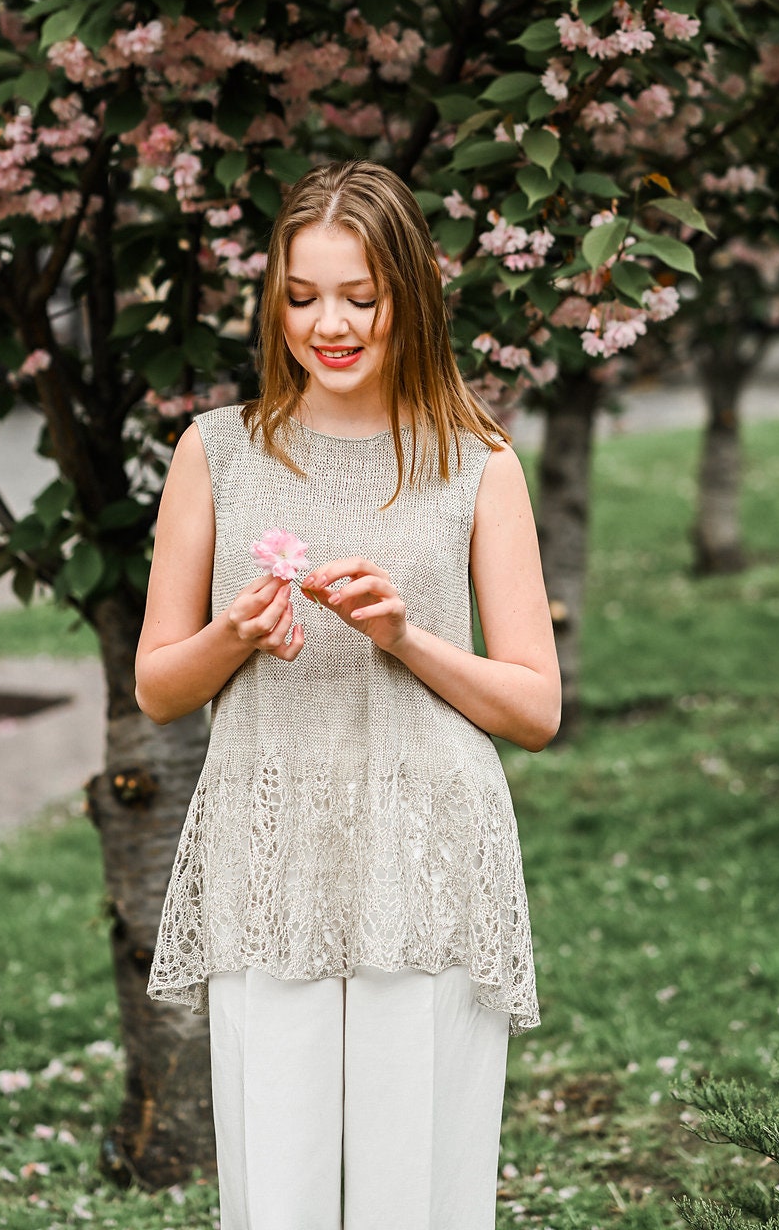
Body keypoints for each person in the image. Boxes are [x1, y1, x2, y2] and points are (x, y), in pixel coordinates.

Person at [136, 159, 561, 1230]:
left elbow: (532, 708)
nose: (328, 324)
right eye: (301, 295)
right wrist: (231, 636)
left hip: (422, 855)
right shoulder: (215, 454)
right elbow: (155, 688)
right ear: (271, 298)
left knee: (413, 1198)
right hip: (265, 846)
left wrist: (404, 635)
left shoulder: (476, 462)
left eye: (359, 298)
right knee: (271, 1199)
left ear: (405, 297)